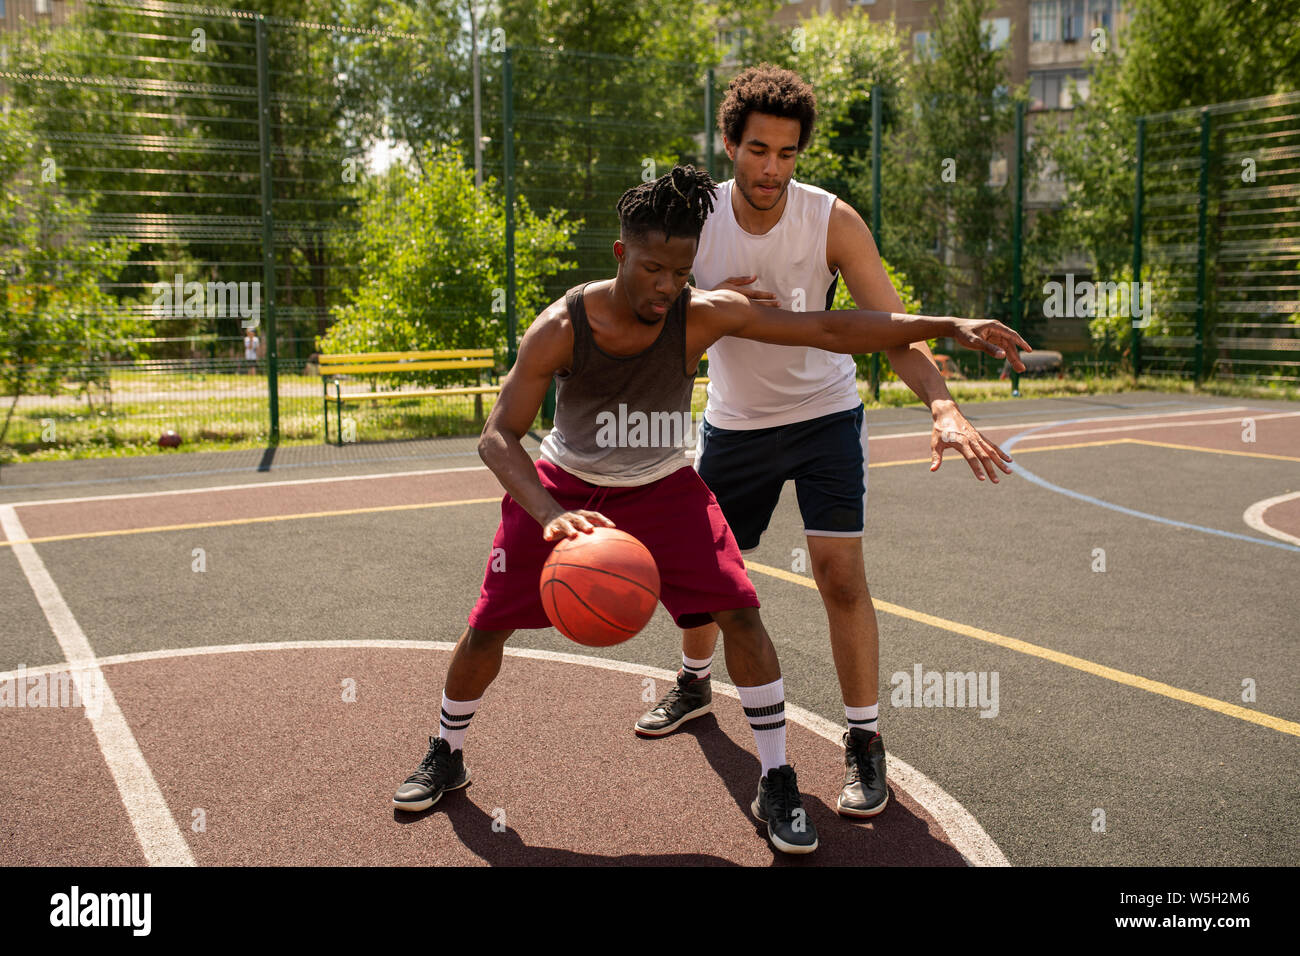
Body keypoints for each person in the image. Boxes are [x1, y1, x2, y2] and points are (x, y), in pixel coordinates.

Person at [391, 165, 1027, 856]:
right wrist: (547, 513)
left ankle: (777, 778)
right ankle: (447, 751)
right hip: (564, 486)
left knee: (741, 611)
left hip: (665, 486)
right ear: (620, 254)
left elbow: (832, 326)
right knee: (487, 629)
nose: (666, 285)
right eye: (652, 268)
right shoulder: (561, 327)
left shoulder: (700, 313)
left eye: (681, 271)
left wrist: (951, 323)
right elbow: (496, 436)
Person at [635, 65, 1018, 820]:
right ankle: (692, 679)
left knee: (840, 576)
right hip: (736, 426)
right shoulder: (694, 218)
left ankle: (865, 741)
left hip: (824, 418)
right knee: (709, 579)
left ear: (801, 152)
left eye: (786, 153)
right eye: (756, 151)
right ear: (729, 144)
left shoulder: (832, 221)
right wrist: (709, 306)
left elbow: (888, 330)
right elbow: (645, 312)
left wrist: (942, 404)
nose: (771, 168)